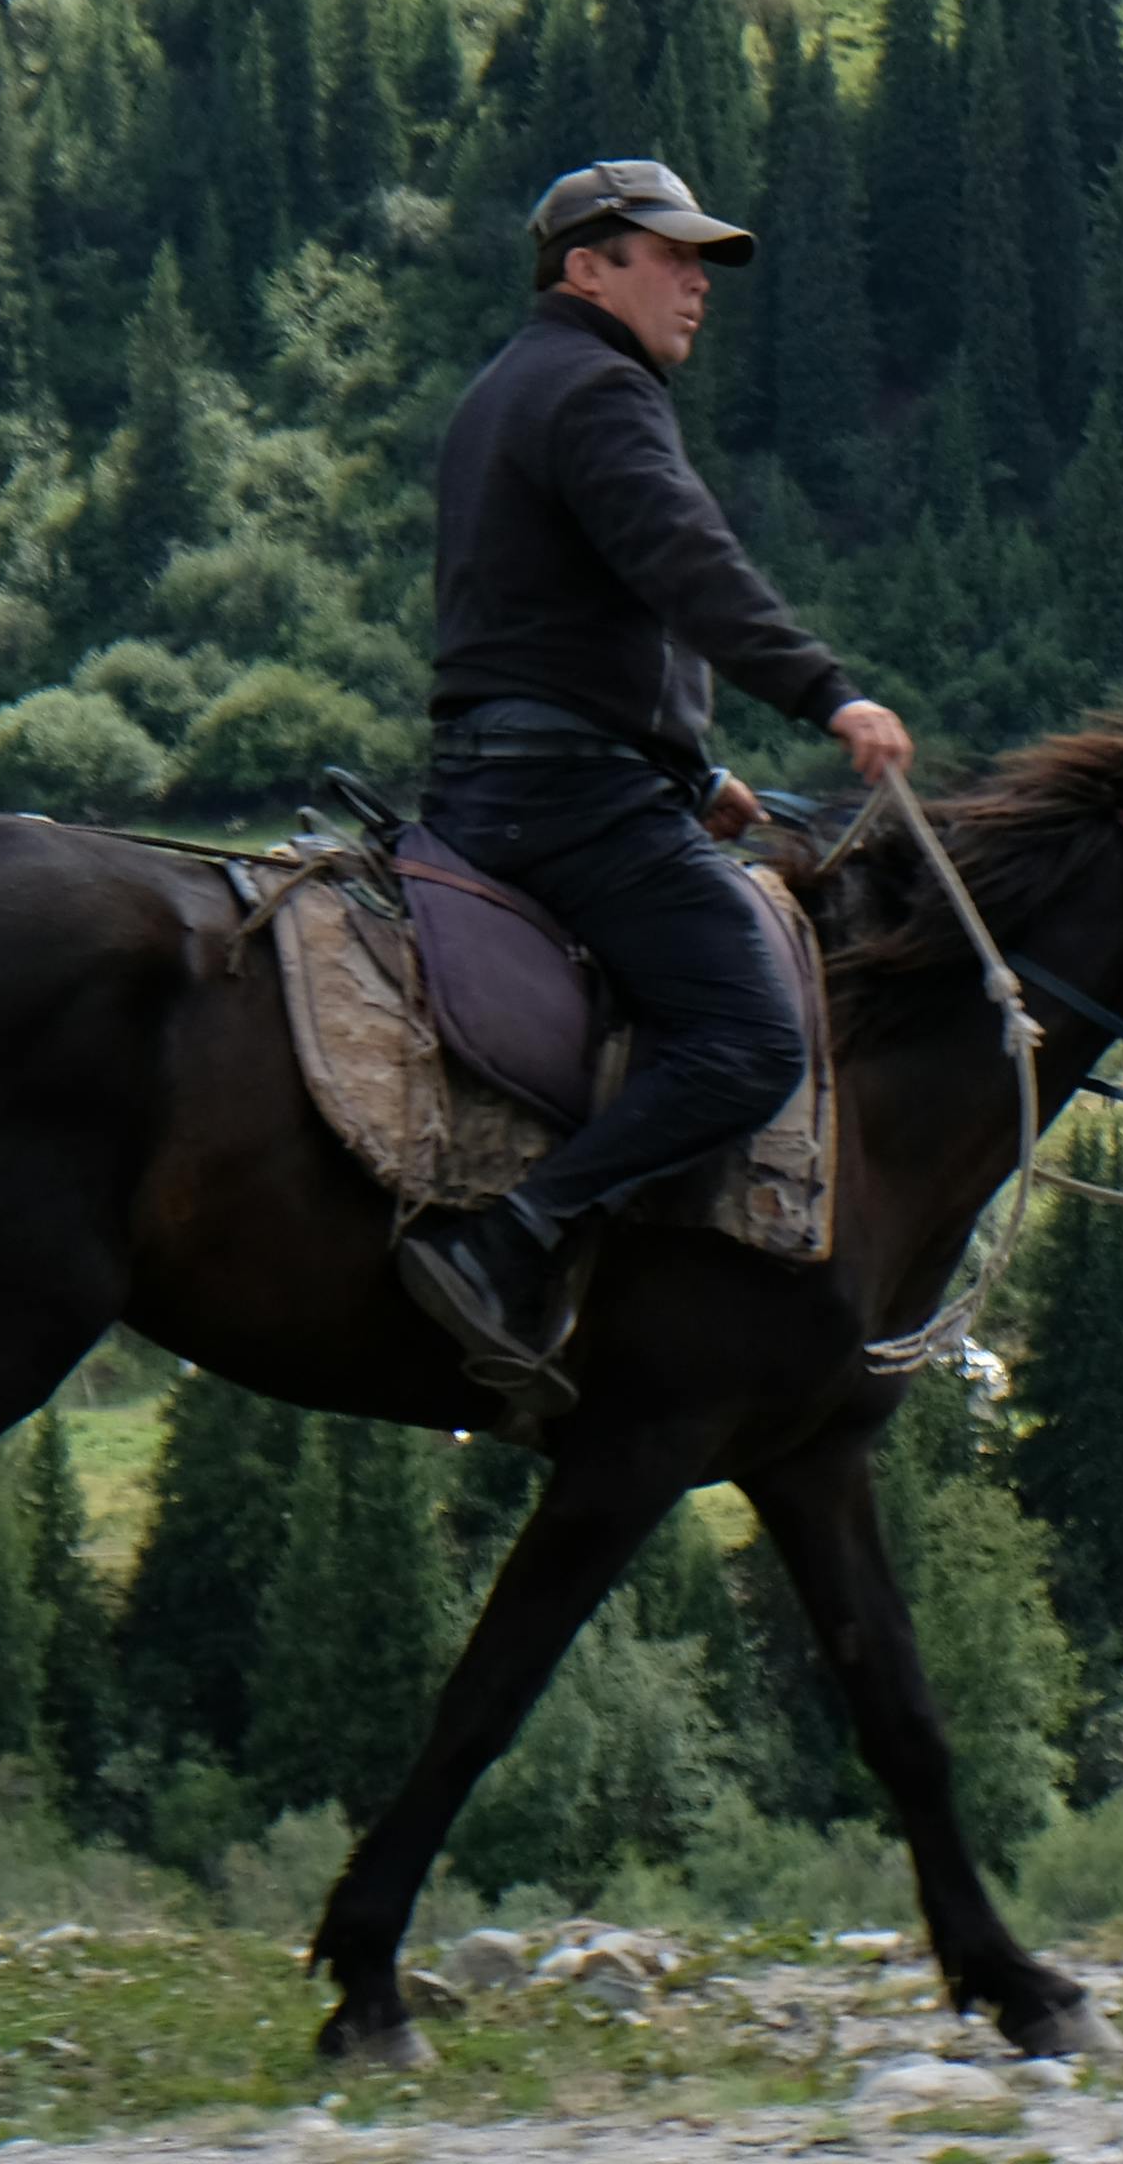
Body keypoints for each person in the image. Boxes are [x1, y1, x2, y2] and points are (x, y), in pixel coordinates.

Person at [391, 155, 917, 1419]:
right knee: (750, 1036)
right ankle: (511, 1235)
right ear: (586, 267)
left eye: (702, 261)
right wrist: (824, 690)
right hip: (573, 802)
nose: (697, 282)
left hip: (503, 780)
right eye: (668, 255)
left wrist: (700, 772)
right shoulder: (598, 390)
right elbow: (688, 563)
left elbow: (546, 624)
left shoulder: (506, 388)